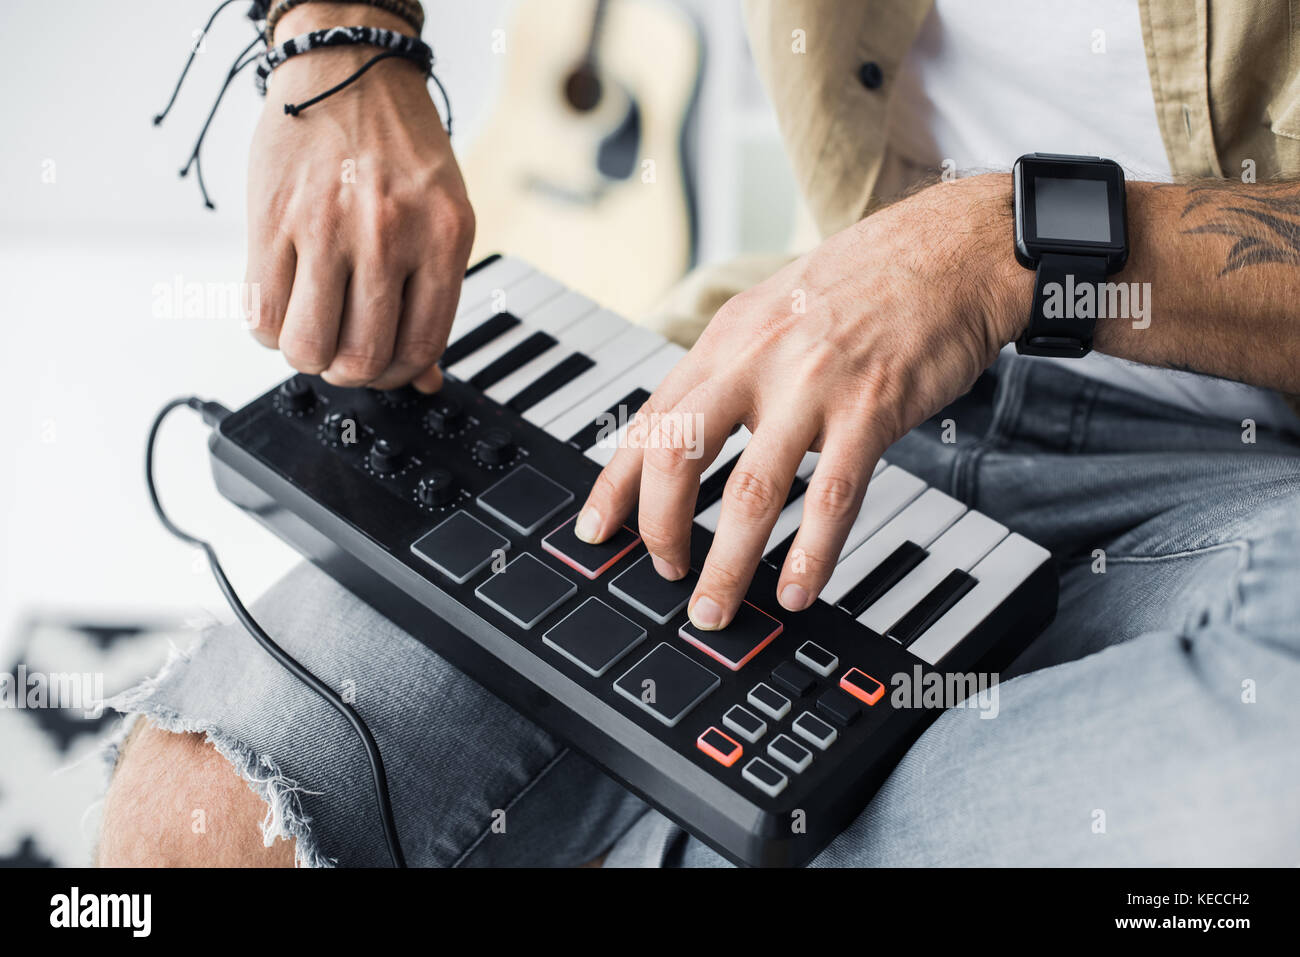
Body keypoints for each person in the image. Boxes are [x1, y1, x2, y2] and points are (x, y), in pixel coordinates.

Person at [98, 0, 1300, 867]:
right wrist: (344, 36)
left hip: (1246, 467)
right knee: (198, 815)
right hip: (798, 359)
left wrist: (1006, 248)